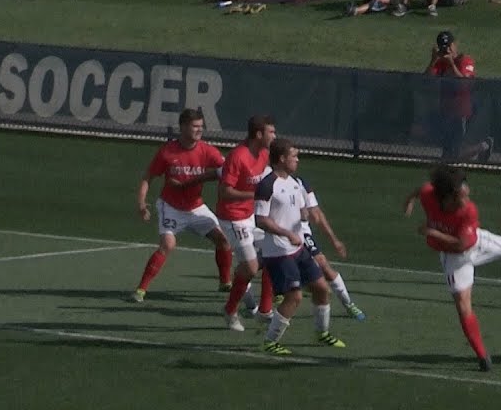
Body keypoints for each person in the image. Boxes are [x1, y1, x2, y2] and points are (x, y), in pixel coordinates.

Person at [403, 166, 501, 371]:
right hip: (454, 260)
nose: (467, 196)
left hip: (472, 245)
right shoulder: (429, 195)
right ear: (447, 196)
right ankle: (482, 356)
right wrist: (409, 201)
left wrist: (432, 232)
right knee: (463, 306)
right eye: (462, 193)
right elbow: (419, 190)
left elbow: (461, 244)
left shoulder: (469, 210)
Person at [131, 108, 232, 303]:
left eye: (201, 126)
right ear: (183, 127)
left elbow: (227, 170)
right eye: (195, 126)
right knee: (168, 244)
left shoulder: (207, 150)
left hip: (196, 207)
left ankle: (225, 281)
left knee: (223, 240)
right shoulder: (167, 152)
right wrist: (142, 203)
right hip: (171, 207)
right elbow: (148, 177)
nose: (199, 130)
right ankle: (141, 290)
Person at [254, 139, 346, 355]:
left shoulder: (295, 183)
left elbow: (304, 210)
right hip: (278, 252)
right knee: (294, 297)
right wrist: (286, 233)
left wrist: (308, 215)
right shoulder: (268, 185)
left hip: (298, 249)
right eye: (294, 156)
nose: (297, 159)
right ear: (282, 159)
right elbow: (260, 220)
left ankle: (322, 333)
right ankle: (270, 341)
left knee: (322, 289)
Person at [218, 114, 279, 331]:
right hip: (233, 217)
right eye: (271, 132)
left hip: (250, 215)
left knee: (275, 250)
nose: (275, 135)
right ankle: (230, 310)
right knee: (252, 267)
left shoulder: (264, 153)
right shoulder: (238, 156)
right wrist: (252, 195)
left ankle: (265, 310)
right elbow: (225, 192)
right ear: (259, 134)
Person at [294, 174, 367, 320]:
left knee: (323, 265)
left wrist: (334, 240)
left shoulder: (300, 182)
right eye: (293, 156)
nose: (297, 160)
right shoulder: (269, 182)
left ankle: (348, 304)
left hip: (300, 234)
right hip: (276, 234)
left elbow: (316, 213)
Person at [426, 30, 493, 163]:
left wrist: (451, 64)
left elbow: (466, 84)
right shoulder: (440, 63)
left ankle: (484, 146)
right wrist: (433, 60)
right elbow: (425, 81)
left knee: (451, 157)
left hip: (461, 113)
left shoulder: (465, 60)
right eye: (444, 47)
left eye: (450, 45)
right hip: (445, 112)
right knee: (448, 154)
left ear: (455, 44)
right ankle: (477, 150)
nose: (448, 49)